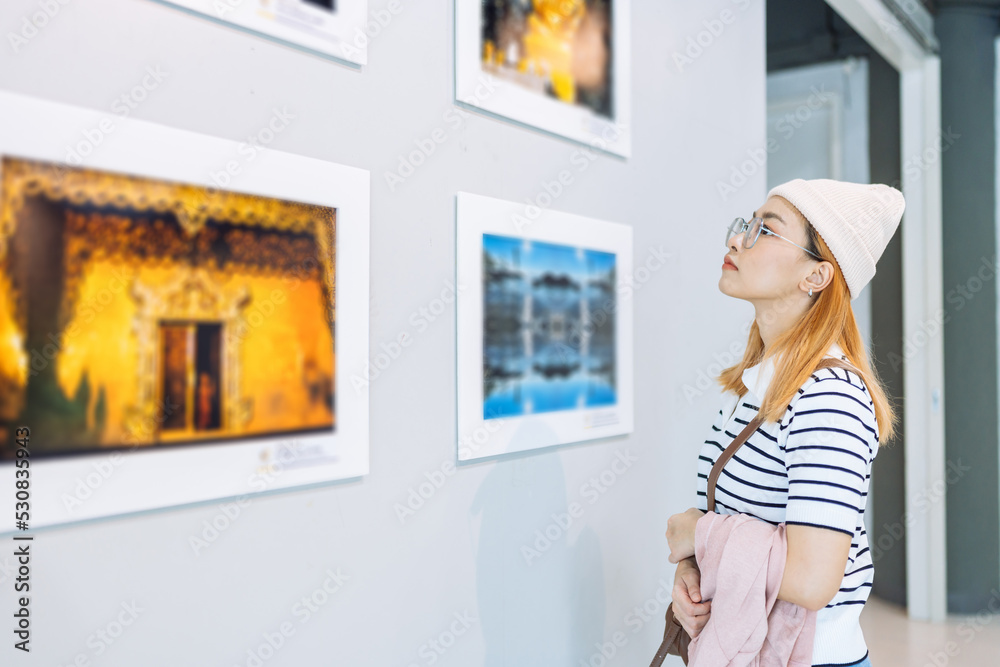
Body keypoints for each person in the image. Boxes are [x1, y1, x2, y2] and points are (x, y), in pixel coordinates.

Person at [664, 178, 905, 667]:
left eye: (766, 232)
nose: (736, 240)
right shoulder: (757, 385)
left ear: (816, 276)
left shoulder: (828, 395)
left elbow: (814, 579)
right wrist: (692, 568)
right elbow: (740, 517)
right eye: (745, 226)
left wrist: (697, 533)